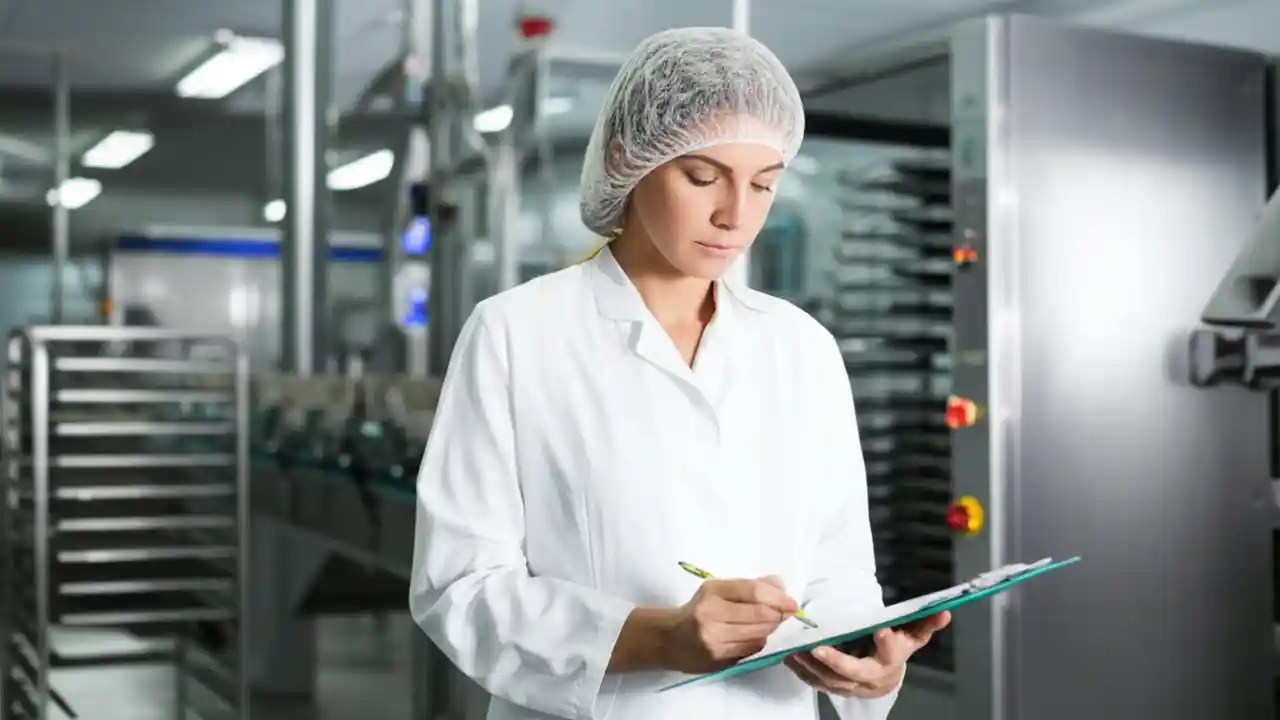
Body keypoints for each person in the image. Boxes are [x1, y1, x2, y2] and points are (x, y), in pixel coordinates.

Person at [409, 26, 949, 720]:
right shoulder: (517, 335)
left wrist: (863, 656)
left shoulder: (802, 347)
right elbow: (459, 585)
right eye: (702, 177)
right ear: (627, 157)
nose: (735, 215)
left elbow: (836, 568)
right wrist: (657, 636)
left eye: (762, 185)